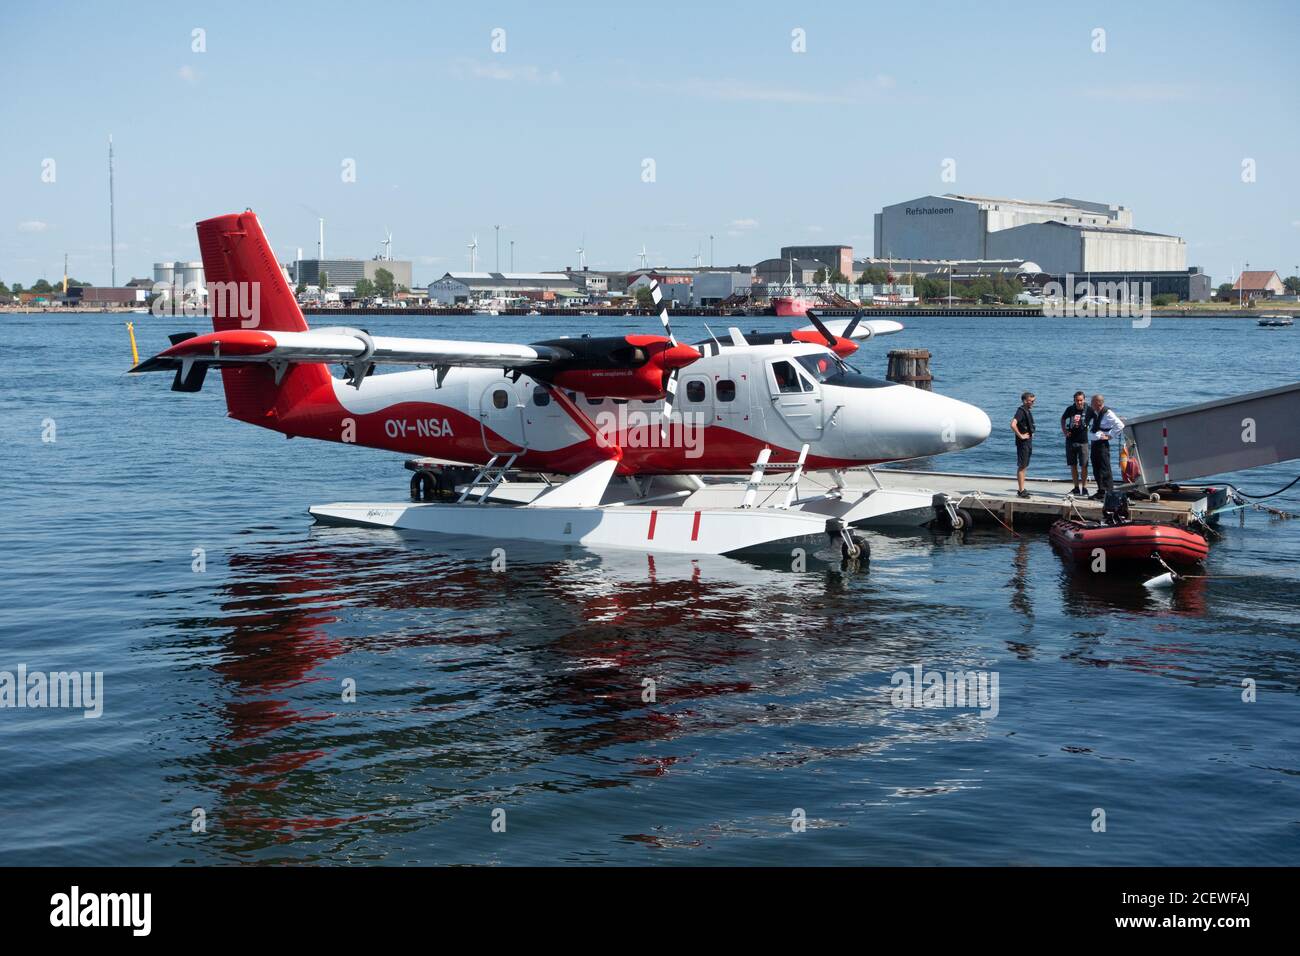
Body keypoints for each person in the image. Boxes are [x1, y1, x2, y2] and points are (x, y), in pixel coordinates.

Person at [1088, 393, 1125, 500]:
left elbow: (1120, 425)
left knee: (1104, 468)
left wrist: (1110, 436)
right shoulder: (1096, 412)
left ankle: (1108, 492)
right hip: (1095, 443)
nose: (1091, 404)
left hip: (1102, 444)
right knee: (1096, 467)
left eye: (1092, 402)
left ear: (1098, 403)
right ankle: (1101, 491)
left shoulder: (1107, 413)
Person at [1060, 390, 1091, 496]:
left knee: (1084, 465)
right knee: (1073, 465)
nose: (1079, 402)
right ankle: (1076, 488)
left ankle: (1085, 488)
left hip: (1083, 442)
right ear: (1074, 400)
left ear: (1084, 400)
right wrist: (1065, 431)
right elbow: (1063, 419)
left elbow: (1098, 418)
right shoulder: (1070, 409)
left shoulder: (1088, 409)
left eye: (1081, 400)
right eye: (1077, 400)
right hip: (1071, 441)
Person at [1010, 391, 1035, 498]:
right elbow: (1012, 424)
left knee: (1025, 465)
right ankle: (1020, 490)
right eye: (1031, 401)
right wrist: (1021, 435)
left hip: (1027, 442)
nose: (1033, 403)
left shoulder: (1027, 410)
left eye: (1034, 401)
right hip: (1023, 443)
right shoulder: (1020, 411)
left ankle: (1022, 488)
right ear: (1025, 401)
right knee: (1022, 466)